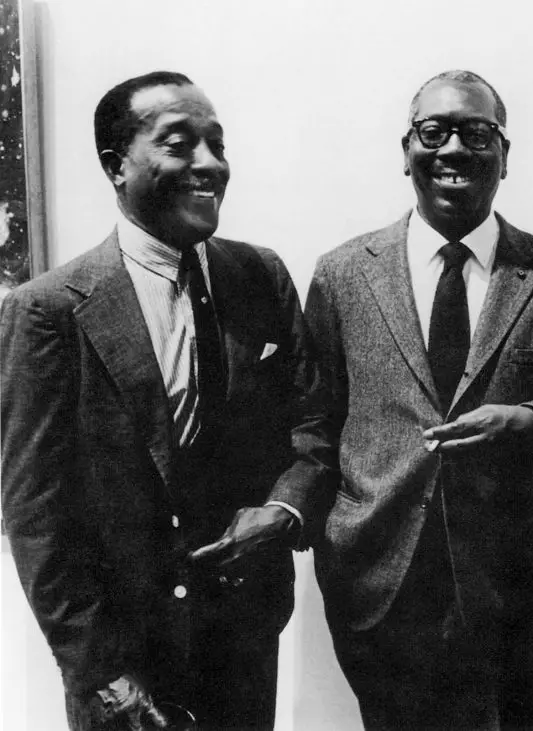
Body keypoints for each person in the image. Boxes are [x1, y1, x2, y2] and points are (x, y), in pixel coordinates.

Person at [273, 69, 533, 730]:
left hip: (512, 586)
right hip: (378, 582)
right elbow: (315, 421)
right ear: (406, 150)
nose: (453, 148)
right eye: (434, 131)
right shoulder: (342, 275)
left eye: (476, 133)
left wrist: (530, 420)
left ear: (505, 155)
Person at [0, 71, 316, 730]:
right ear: (117, 166)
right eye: (179, 143)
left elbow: (312, 426)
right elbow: (36, 514)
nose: (210, 164)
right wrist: (97, 671)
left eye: (217, 144)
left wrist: (284, 508)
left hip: (242, 647)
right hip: (124, 670)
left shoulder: (260, 275)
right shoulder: (49, 311)